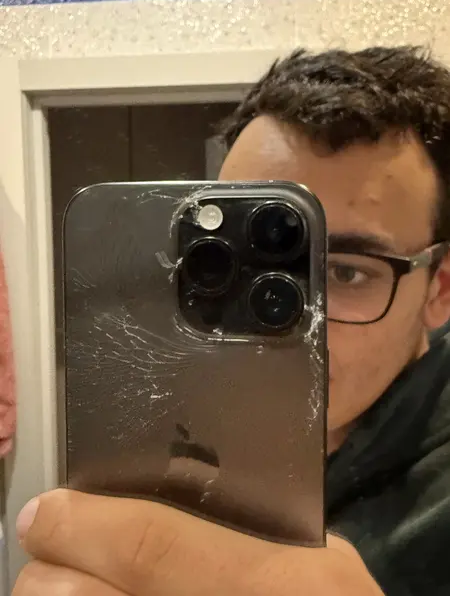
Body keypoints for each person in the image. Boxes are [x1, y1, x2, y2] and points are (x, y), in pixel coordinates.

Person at [13, 46, 450, 595]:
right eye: (238, 264)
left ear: (440, 288)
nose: (293, 322)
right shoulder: (185, 420)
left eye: (346, 272)